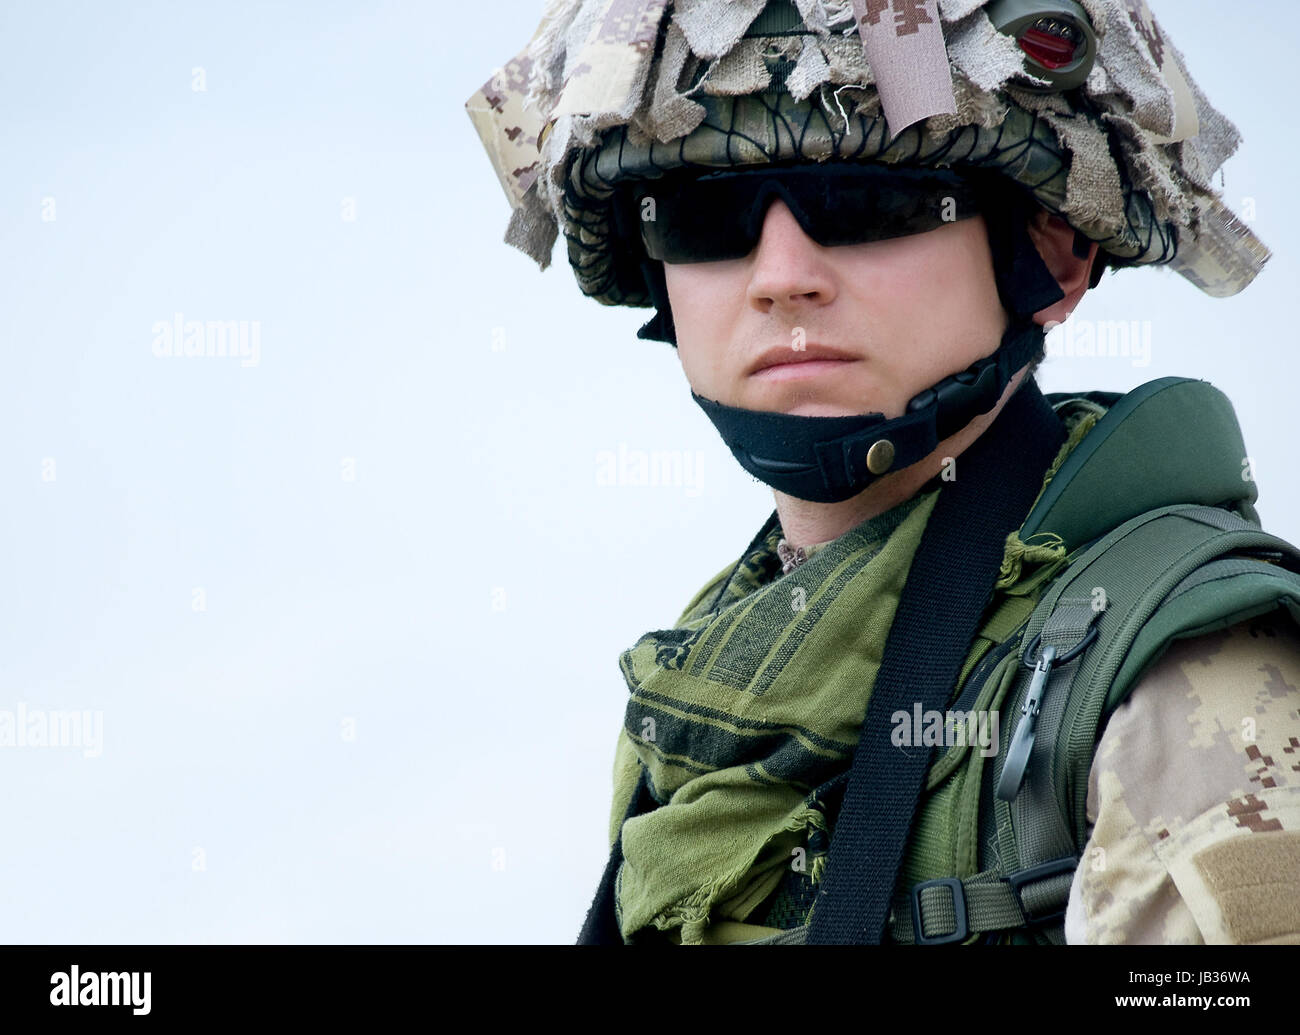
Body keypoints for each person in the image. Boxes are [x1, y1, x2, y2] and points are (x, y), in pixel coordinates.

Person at [467, 0, 1300, 944]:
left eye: (866, 199)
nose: (781, 276)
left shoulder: (1180, 680)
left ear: (1053, 255)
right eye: (706, 214)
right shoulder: (709, 666)